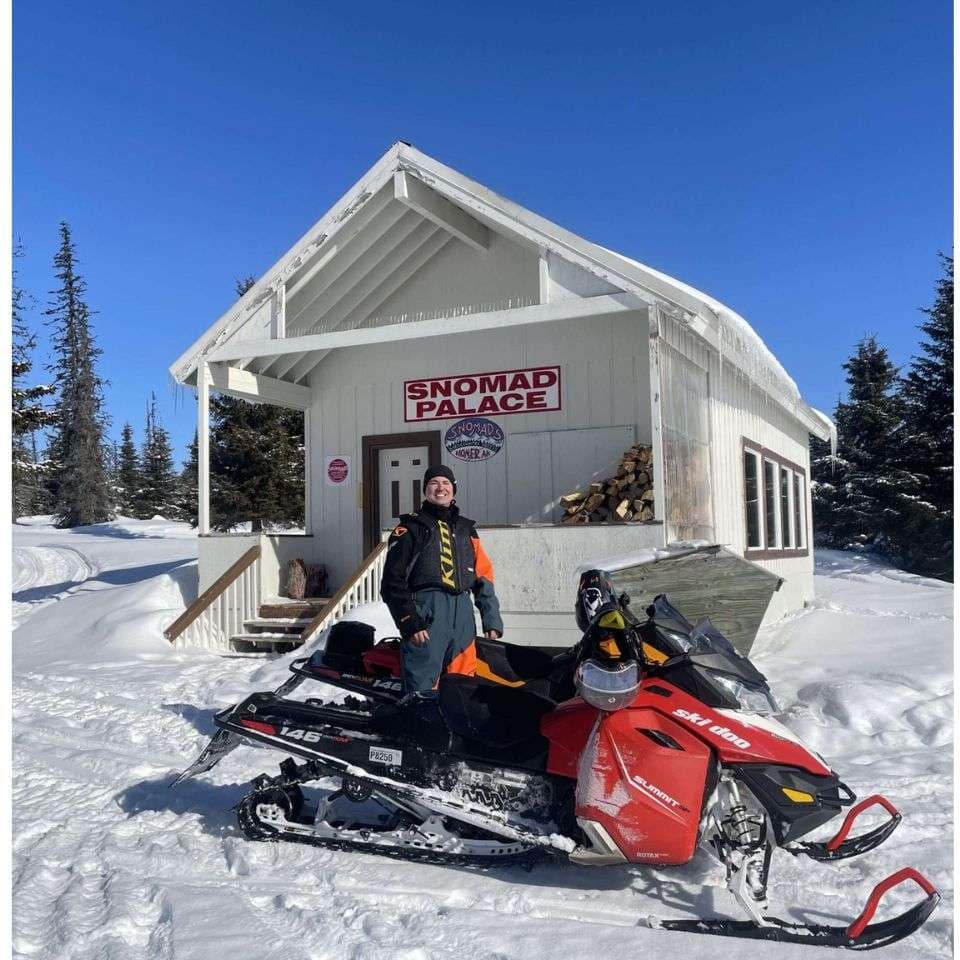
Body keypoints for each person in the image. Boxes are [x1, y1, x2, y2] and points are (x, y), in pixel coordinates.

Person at [380, 464, 504, 693]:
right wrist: (409, 620)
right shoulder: (410, 527)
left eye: (446, 483)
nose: (440, 488)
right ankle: (419, 728)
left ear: (454, 489)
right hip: (428, 612)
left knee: (463, 684)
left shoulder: (467, 529)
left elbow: (483, 576)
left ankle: (456, 730)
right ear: (425, 489)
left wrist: (491, 619)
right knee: (423, 686)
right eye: (434, 483)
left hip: (463, 616)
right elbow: (392, 581)